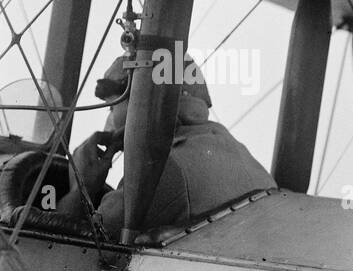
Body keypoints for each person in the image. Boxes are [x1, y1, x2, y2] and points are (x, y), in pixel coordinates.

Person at [58, 54, 275, 236]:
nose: (110, 121)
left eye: (112, 108)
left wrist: (81, 189)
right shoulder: (236, 151)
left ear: (141, 100)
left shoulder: (161, 169)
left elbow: (79, 245)